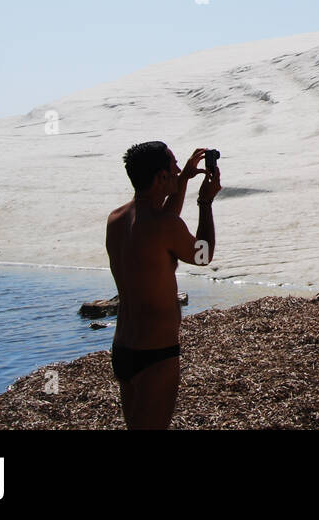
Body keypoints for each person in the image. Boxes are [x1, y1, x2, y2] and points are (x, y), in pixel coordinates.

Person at [106, 141, 220, 429]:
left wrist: (181, 182)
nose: (180, 169)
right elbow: (203, 255)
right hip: (155, 353)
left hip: (123, 348)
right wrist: (204, 203)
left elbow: (162, 222)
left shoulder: (117, 219)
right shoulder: (163, 225)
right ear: (160, 178)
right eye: (174, 167)